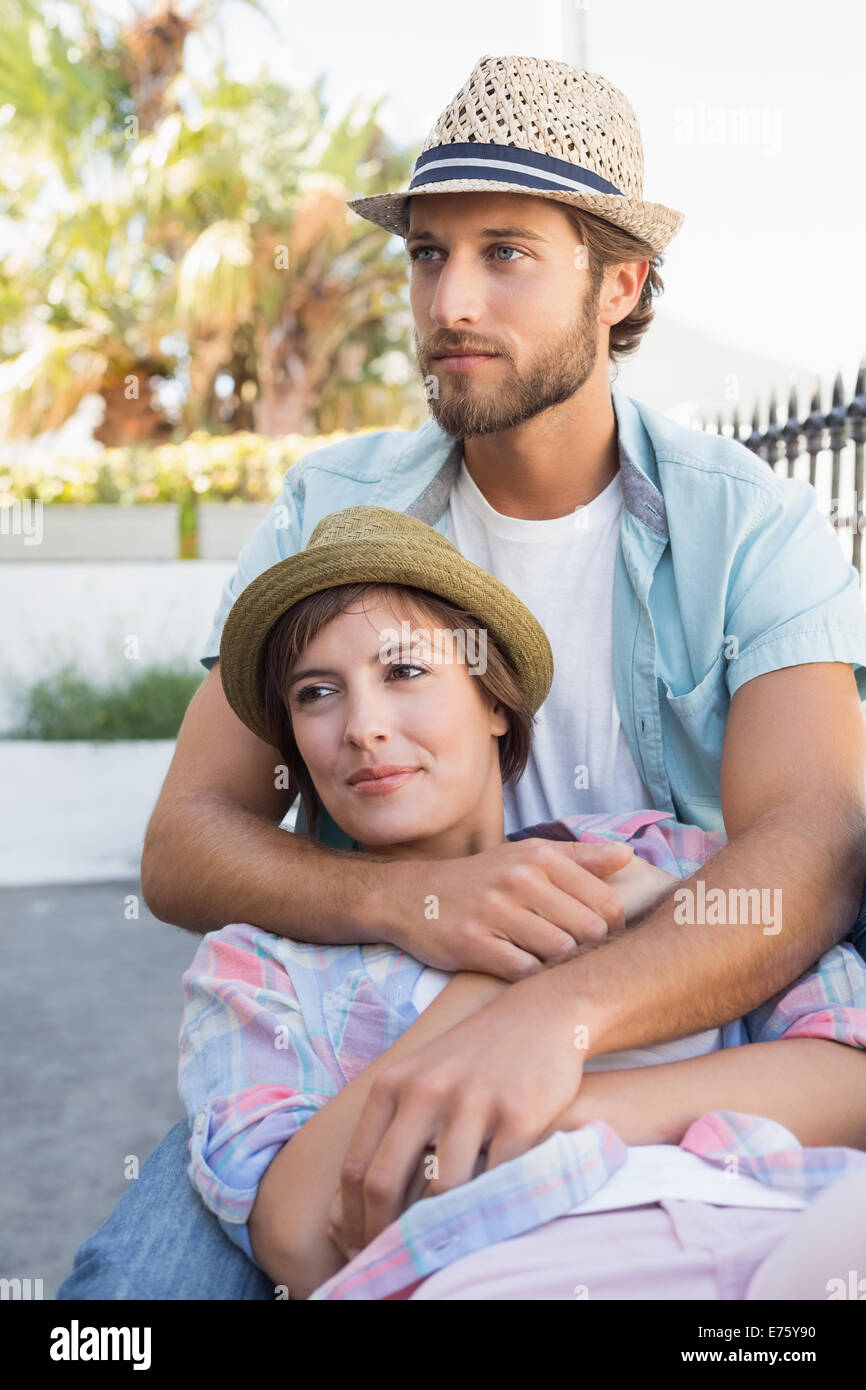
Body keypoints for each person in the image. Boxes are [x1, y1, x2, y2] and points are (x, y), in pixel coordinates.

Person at [58, 54, 866, 1301]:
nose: (449, 299)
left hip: (676, 1029)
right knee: (126, 1304)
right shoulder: (333, 506)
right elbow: (185, 840)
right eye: (427, 255)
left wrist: (553, 1020)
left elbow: (812, 849)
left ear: (619, 282)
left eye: (504, 252)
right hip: (358, 1047)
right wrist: (419, 910)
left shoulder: (747, 525)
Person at [178, 505, 866, 1301]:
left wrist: (548, 1103)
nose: (363, 729)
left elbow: (850, 1081)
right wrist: (520, 961)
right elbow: (300, 1236)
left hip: (787, 1240)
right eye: (317, 693)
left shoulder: (656, 857)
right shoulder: (256, 966)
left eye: (404, 672)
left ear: (495, 702)